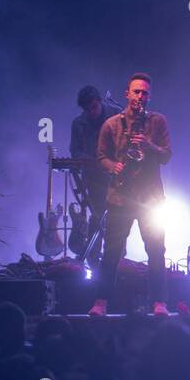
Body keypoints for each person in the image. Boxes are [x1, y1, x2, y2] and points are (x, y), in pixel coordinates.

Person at [88, 73, 173, 316]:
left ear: (149, 96)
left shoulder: (158, 122)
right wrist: (112, 166)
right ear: (127, 93)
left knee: (156, 251)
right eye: (136, 92)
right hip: (120, 196)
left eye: (145, 93)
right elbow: (101, 156)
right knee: (112, 252)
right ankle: (100, 302)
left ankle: (159, 302)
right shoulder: (112, 124)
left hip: (150, 198)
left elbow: (166, 156)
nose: (140, 96)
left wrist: (148, 145)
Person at [69, 85, 120, 258]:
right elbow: (74, 151)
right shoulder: (79, 123)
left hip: (118, 176)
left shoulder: (117, 115)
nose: (90, 112)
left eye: (93, 107)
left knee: (117, 216)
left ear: (99, 101)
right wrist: (90, 160)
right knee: (98, 213)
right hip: (94, 176)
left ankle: (116, 256)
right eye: (86, 109)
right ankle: (94, 256)